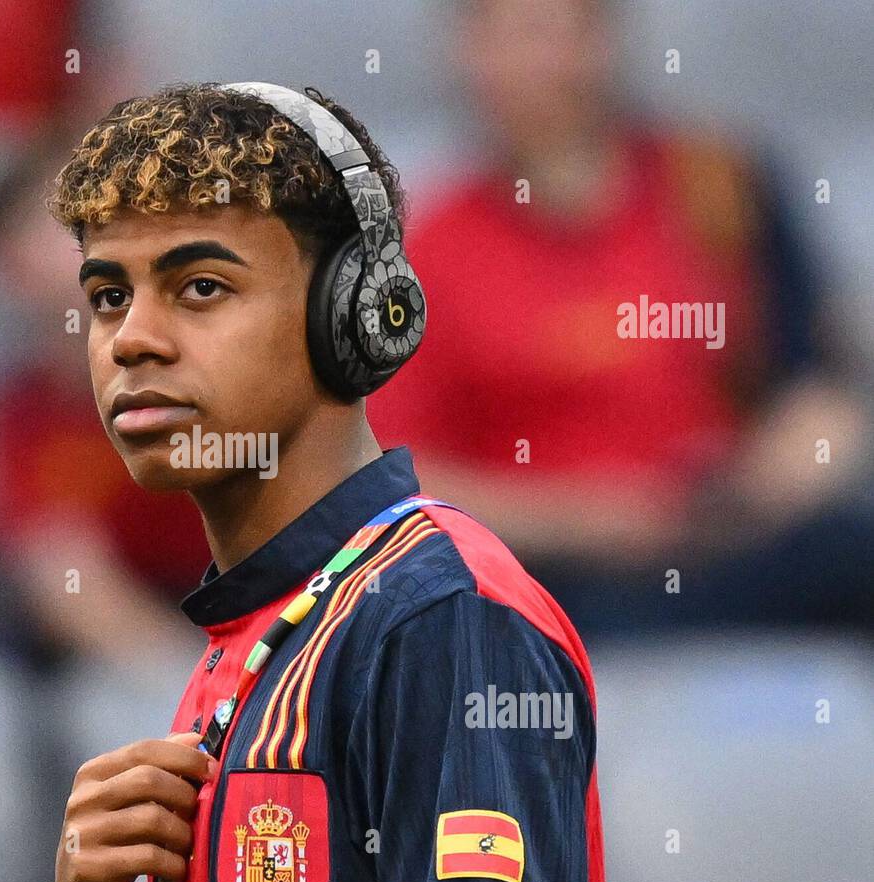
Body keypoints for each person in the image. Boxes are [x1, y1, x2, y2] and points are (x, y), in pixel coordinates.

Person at [48, 82, 604, 882]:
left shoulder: (441, 614)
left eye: (200, 285)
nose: (131, 338)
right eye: (108, 296)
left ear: (353, 317)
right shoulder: (259, 629)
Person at [369, 0, 874, 638]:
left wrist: (773, 477)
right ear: (465, 53)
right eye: (513, 36)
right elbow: (396, 479)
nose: (541, 64)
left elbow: (823, 392)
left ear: (607, 40)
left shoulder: (718, 188)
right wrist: (596, 521)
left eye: (564, 33)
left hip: (730, 545)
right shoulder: (427, 251)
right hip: (550, 582)